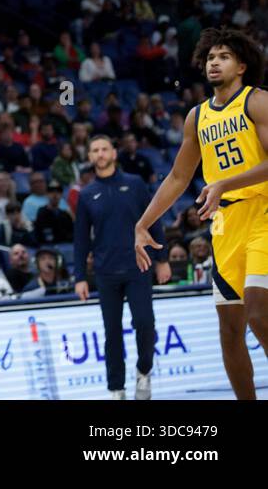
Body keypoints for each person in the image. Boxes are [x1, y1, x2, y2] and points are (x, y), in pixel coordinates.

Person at [136, 28, 268, 400]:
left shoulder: (257, 101)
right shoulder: (197, 117)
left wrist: (225, 183)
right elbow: (179, 176)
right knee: (229, 331)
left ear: (242, 65)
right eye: (210, 57)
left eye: (224, 56)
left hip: (263, 214)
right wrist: (143, 223)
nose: (214, 62)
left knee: (260, 315)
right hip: (227, 226)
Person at [75, 134, 169, 399]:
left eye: (105, 148)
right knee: (112, 333)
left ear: (114, 153)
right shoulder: (86, 194)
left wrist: (162, 259)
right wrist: (80, 276)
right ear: (90, 156)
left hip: (139, 266)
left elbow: (154, 221)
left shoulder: (135, 184)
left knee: (144, 322)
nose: (101, 154)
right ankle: (116, 389)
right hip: (105, 272)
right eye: (95, 150)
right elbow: (81, 239)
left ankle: (144, 371)